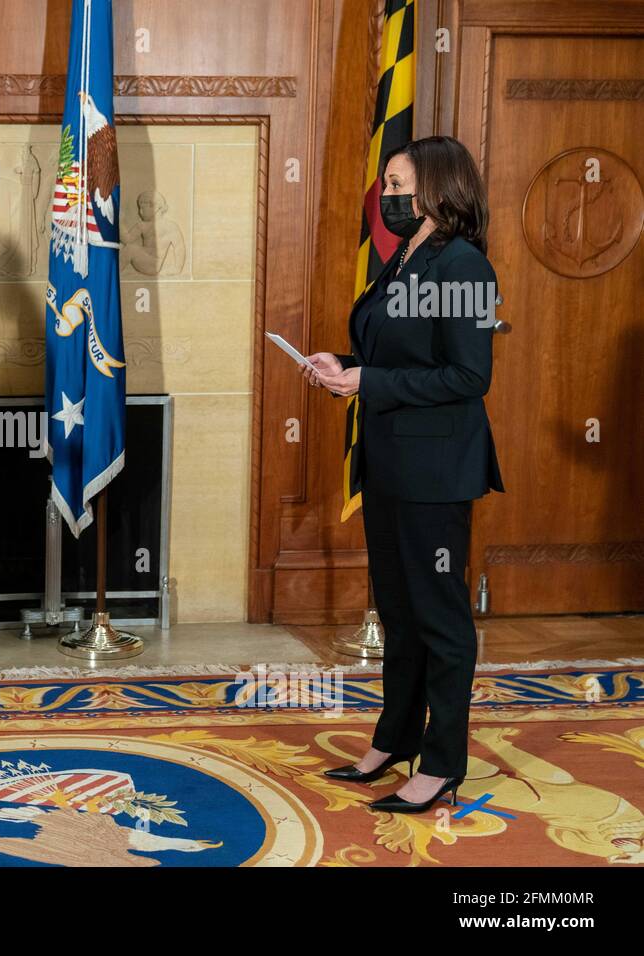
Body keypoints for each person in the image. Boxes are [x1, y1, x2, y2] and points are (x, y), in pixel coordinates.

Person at [305, 135, 504, 813]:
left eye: (397, 185)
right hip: (389, 463)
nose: (386, 197)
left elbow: (469, 375)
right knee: (399, 613)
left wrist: (371, 379)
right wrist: (342, 365)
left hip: (437, 471)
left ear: (438, 188)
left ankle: (443, 761)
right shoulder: (403, 261)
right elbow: (391, 352)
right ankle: (394, 738)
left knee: (440, 620)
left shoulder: (465, 266)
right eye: (386, 185)